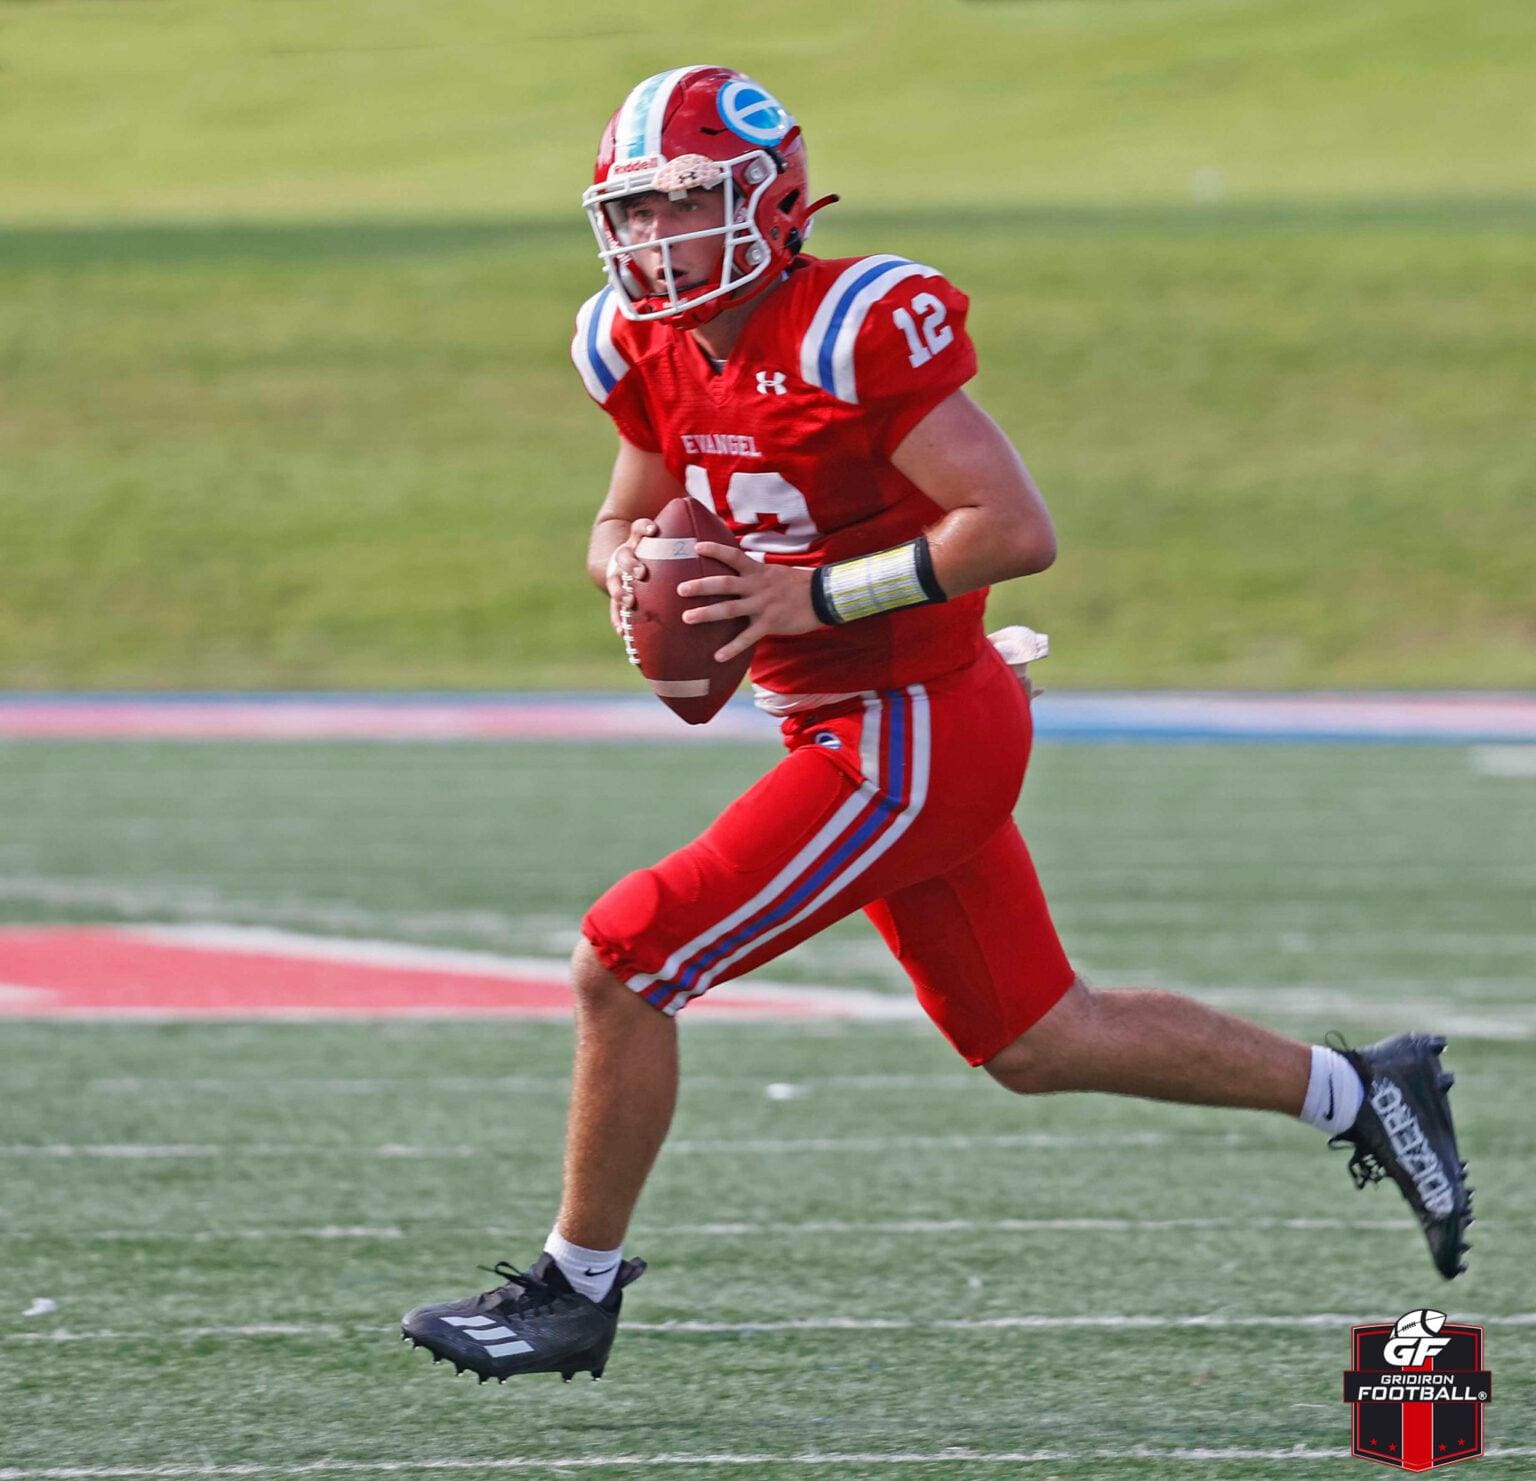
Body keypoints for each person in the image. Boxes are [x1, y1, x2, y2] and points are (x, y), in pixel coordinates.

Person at [401, 66, 1472, 1383]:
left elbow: (1013, 529)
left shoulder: (851, 326)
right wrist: (626, 567)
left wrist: (812, 594)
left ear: (771, 203)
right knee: (1035, 1035)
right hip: (854, 726)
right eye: (634, 210)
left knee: (627, 958)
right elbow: (623, 514)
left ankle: (574, 1290)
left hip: (908, 725)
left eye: (686, 205)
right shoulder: (641, 346)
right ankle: (1366, 1089)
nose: (652, 238)